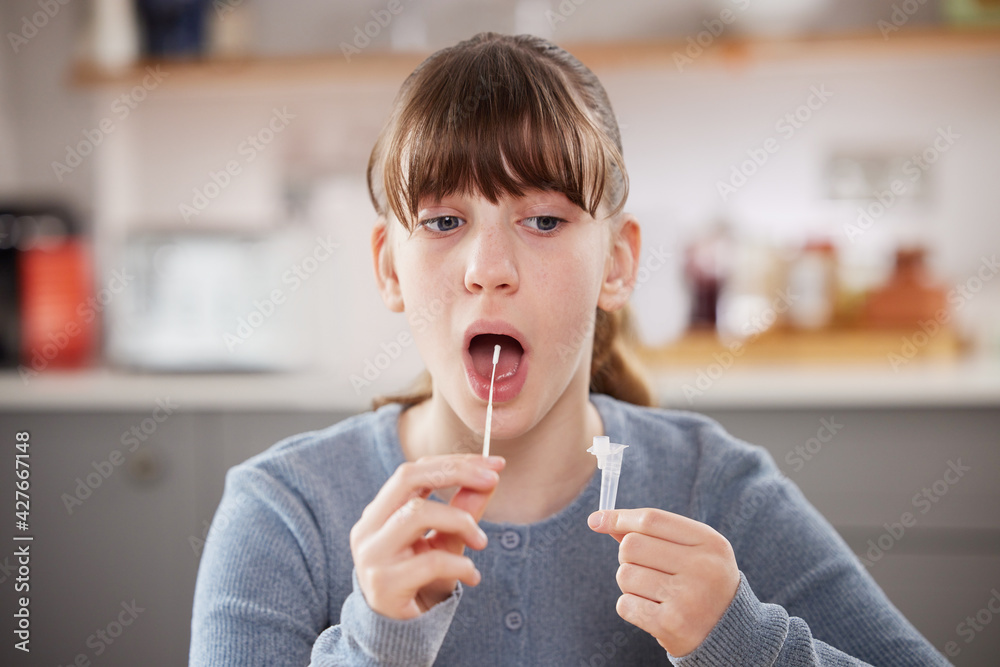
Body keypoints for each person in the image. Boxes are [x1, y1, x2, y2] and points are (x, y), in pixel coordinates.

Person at [189, 32, 950, 666]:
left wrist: (740, 642)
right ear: (390, 265)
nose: (489, 269)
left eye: (544, 221)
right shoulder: (283, 513)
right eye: (446, 222)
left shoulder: (717, 489)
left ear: (617, 262)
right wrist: (375, 641)